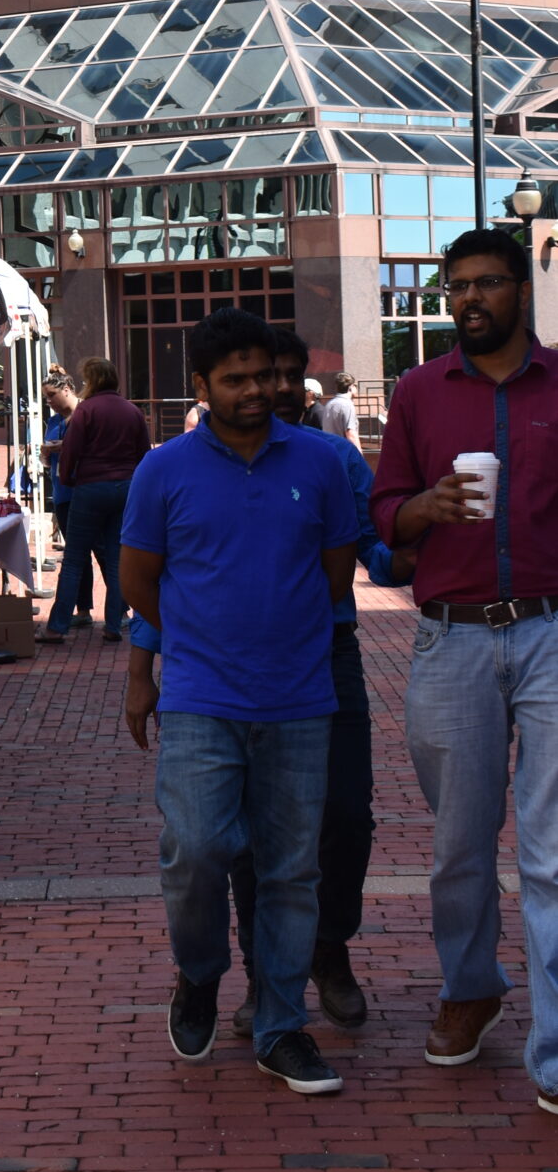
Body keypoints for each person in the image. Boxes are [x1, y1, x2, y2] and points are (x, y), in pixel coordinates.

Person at [119, 307, 359, 1096]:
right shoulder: (163, 470)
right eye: (236, 379)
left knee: (292, 870)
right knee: (193, 851)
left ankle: (280, 1025)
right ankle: (198, 974)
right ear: (201, 387)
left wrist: (276, 632)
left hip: (298, 698)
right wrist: (177, 652)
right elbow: (137, 580)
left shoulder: (321, 462)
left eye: (264, 374)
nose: (256, 389)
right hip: (198, 697)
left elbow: (333, 573)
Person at [370, 226, 558, 1109]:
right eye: (456, 288)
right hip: (449, 636)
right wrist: (424, 508)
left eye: (486, 283)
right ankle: (470, 985)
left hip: (552, 634)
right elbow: (383, 515)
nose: (469, 300)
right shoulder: (415, 391)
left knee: (553, 851)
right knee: (457, 844)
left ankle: (554, 1050)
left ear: (522, 289)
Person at [226, 329, 398, 1036]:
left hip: (328, 653)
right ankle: (264, 972)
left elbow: (376, 554)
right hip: (237, 663)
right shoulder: (215, 458)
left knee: (347, 815)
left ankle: (329, 950)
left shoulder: (332, 457)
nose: (281, 388)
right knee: (248, 830)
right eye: (269, 374)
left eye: (293, 376)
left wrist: (430, 545)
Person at [40, 357, 149, 643]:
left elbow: (71, 453)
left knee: (75, 558)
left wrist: (68, 481)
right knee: (116, 558)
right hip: (124, 488)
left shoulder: (87, 410)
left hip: (90, 486)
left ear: (94, 381)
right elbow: (143, 454)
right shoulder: (132, 411)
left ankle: (57, 626)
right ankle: (114, 623)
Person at [40, 368, 95, 622]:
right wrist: (46, 454)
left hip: (87, 490)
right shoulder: (53, 421)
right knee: (76, 552)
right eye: (45, 397)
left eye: (51, 395)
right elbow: (48, 457)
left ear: (66, 390)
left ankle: (121, 611)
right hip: (63, 492)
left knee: (103, 550)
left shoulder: (86, 414)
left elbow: (93, 447)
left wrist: (63, 446)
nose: (49, 401)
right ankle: (82, 610)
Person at [320, 373, 362, 449]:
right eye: (355, 385)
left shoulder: (329, 404)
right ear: (351, 387)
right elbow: (351, 434)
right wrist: (359, 456)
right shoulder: (347, 405)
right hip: (344, 453)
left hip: (330, 450)